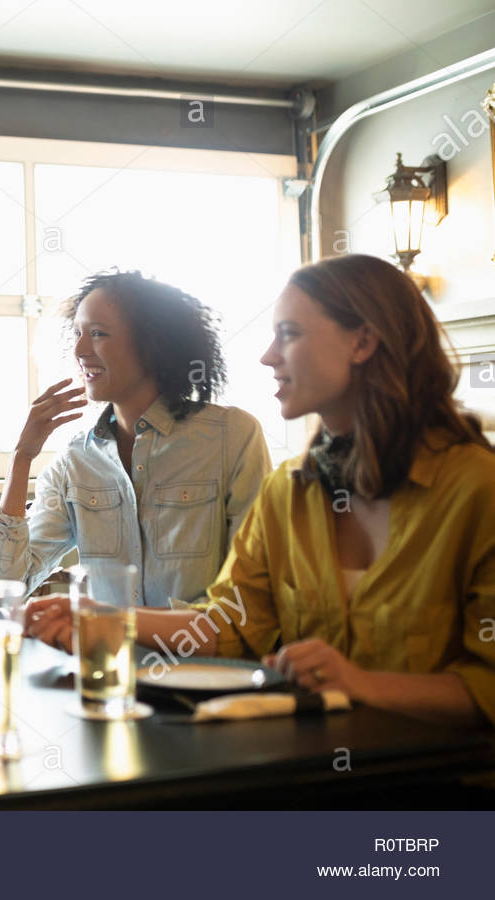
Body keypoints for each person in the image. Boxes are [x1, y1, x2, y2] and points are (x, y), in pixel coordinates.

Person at [26, 255, 495, 726]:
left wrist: (359, 682)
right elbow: (228, 623)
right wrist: (95, 615)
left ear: (363, 341)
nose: (268, 355)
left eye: (289, 334)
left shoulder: (478, 489)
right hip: (312, 769)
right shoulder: (289, 492)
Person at [0, 271, 271, 604]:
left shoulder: (232, 438)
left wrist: (135, 628)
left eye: (98, 334)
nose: (79, 349)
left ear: (152, 346)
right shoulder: (74, 462)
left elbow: (249, 595)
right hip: (105, 656)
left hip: (202, 655)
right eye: (77, 333)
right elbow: (5, 591)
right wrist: (21, 457)